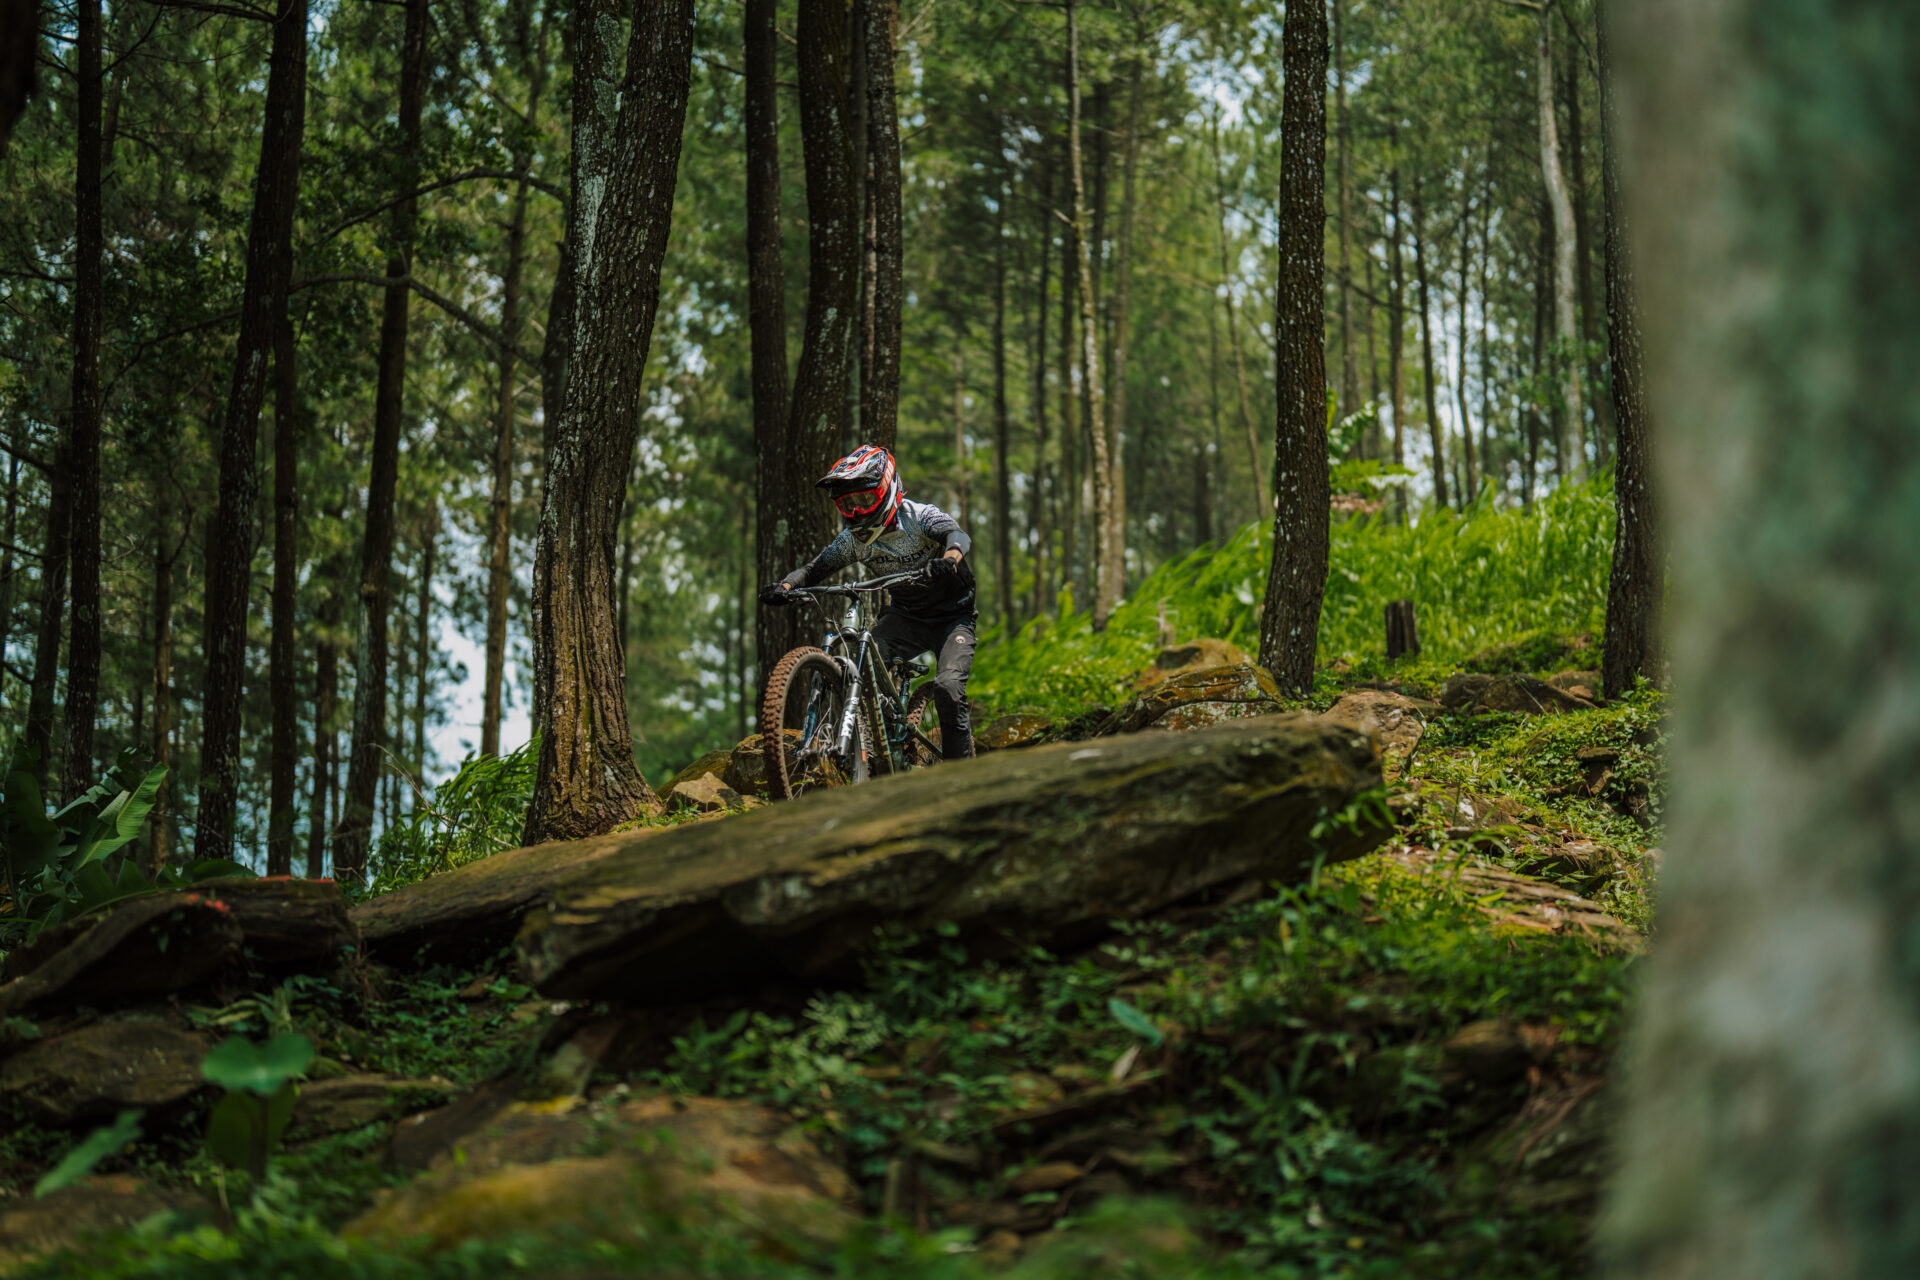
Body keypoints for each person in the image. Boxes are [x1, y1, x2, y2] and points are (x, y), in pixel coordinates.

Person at [760, 444, 977, 760]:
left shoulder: (919, 517)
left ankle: (964, 774)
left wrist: (949, 558)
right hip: (905, 617)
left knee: (947, 688)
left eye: (864, 500)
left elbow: (958, 536)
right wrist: (785, 585)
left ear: (886, 490)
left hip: (953, 618)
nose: (857, 512)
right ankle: (876, 749)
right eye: (847, 505)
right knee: (860, 667)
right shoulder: (852, 540)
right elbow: (814, 569)